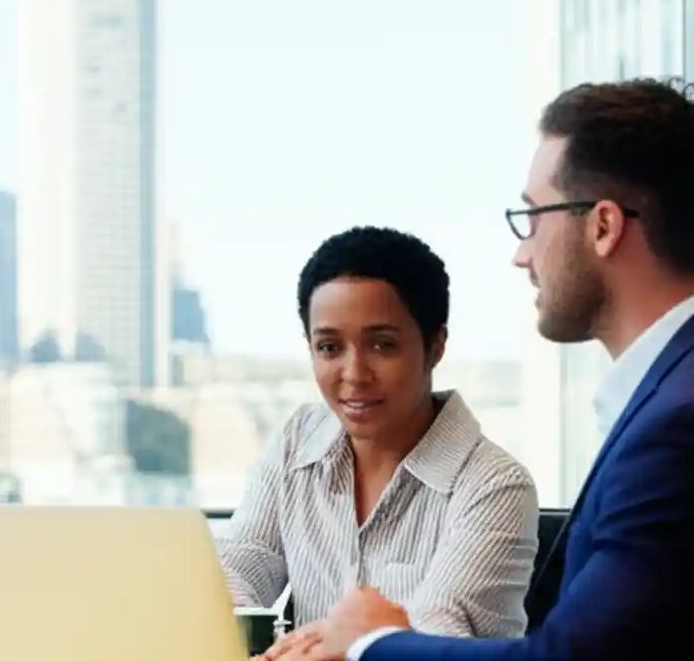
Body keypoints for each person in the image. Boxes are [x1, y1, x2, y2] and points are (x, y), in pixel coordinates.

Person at [263, 78, 694, 661]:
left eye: (534, 217)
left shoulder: (675, 420)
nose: (521, 253)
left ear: (603, 226)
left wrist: (370, 641)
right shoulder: (665, 399)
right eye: (329, 346)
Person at [220, 227, 538, 638]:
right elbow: (243, 562)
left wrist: (304, 648)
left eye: (382, 345)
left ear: (436, 344)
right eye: (329, 348)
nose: (354, 375)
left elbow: (433, 636)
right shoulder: (297, 442)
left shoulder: (496, 486)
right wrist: (224, 615)